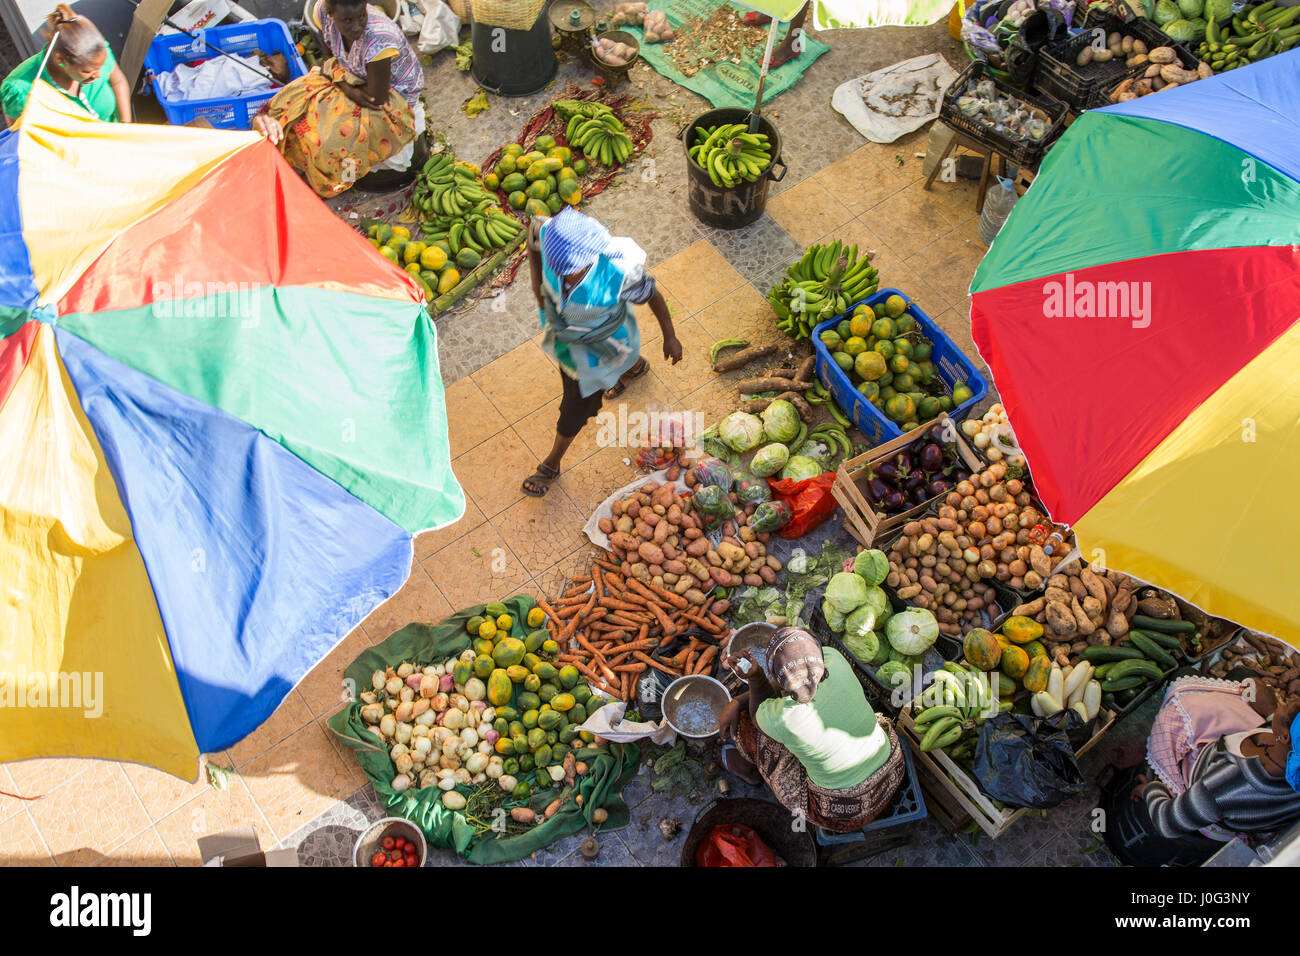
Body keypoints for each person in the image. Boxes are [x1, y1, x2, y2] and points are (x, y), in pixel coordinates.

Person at [521, 207, 682, 498]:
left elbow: (653, 296)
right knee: (624, 360)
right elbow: (533, 236)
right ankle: (632, 368)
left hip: (598, 349)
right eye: (560, 270)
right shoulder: (549, 232)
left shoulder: (619, 271)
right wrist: (536, 285)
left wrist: (670, 336)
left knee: (574, 409)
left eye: (573, 270)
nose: (565, 276)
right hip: (571, 340)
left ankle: (551, 465)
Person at [717, 627, 904, 832]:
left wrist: (754, 679)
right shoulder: (836, 660)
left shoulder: (784, 718)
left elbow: (758, 716)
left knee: (747, 725)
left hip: (845, 812)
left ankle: (748, 771)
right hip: (892, 768)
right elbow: (800, 673)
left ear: (778, 678)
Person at [1108, 674, 1300, 866]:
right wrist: (1272, 714)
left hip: (1206, 806)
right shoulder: (1288, 755)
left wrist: (1151, 789)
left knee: (1180, 706)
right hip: (1222, 790)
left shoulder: (1232, 781)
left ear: (1284, 736)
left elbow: (1168, 822)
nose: (1293, 700)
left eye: (1294, 706)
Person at [251, 0, 424, 196]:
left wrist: (339, 80)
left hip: (391, 95)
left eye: (361, 17)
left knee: (334, 141)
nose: (357, 26)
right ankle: (299, 160)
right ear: (332, 14)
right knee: (290, 103)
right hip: (348, 77)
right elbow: (327, 53)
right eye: (347, 20)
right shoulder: (322, 12)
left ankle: (339, 178)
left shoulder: (378, 40)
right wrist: (339, 78)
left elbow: (376, 99)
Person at [2, 5, 132, 126]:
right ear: (60, 59)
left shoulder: (96, 54)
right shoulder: (21, 90)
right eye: (87, 71)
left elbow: (118, 81)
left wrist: (126, 125)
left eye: (100, 67)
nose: (98, 75)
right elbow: (19, 139)